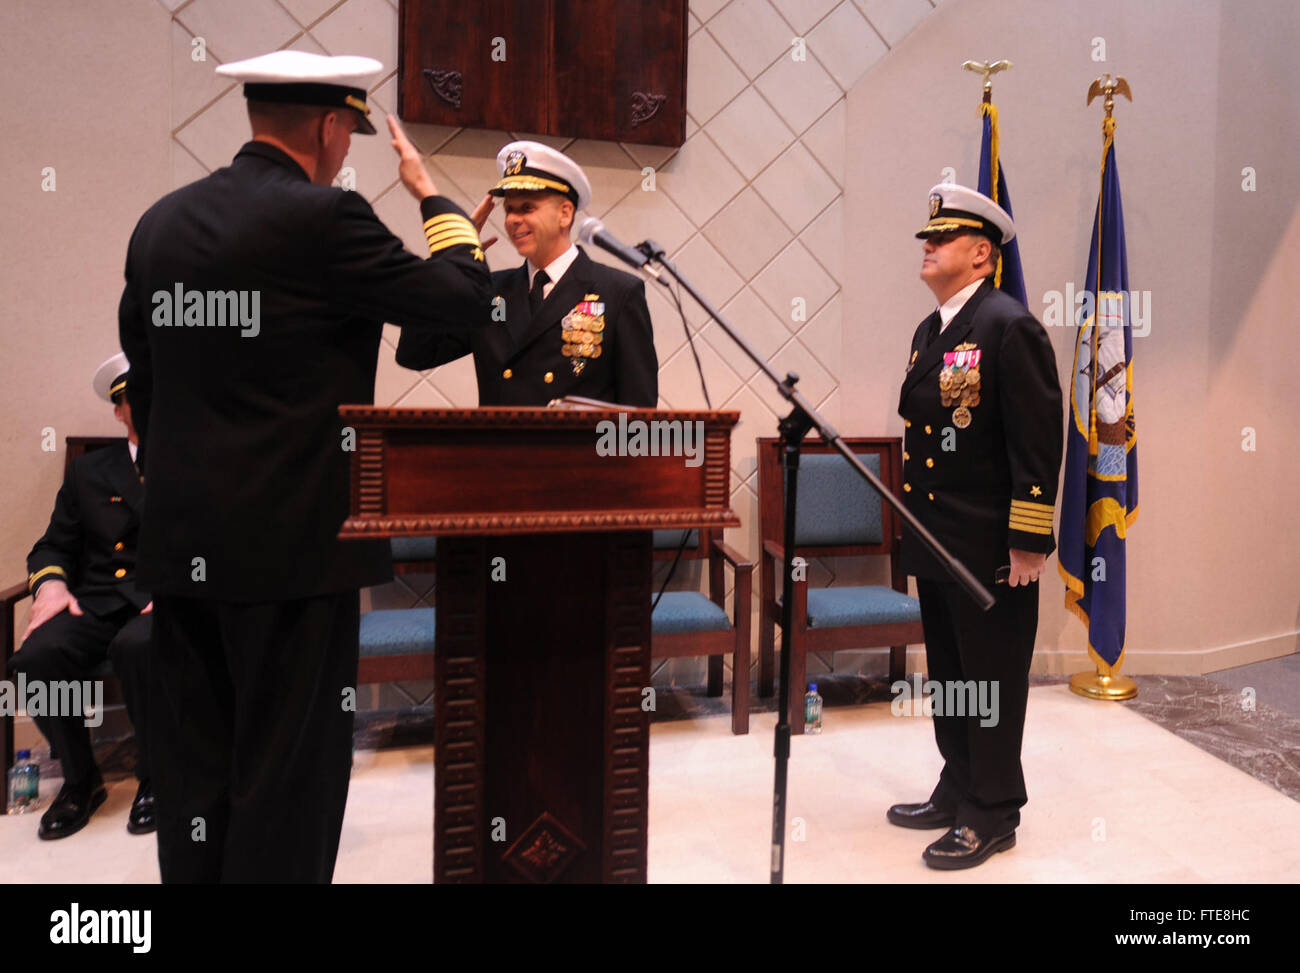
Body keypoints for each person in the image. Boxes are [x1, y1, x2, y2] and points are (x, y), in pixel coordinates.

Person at [117, 50, 493, 882]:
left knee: (197, 777)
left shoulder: (159, 224)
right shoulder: (326, 219)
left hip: (184, 557)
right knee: (287, 785)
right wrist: (436, 200)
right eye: (347, 135)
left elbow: (143, 395)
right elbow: (464, 299)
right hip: (294, 557)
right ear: (329, 128)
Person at [890, 184, 1063, 870]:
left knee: (990, 679)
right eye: (927, 237)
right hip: (937, 535)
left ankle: (992, 809)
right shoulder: (931, 329)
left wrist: (1027, 540)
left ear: (982, 253)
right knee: (954, 675)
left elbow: (1037, 441)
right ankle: (957, 782)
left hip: (991, 542)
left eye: (943, 238)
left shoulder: (1006, 325)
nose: (928, 246)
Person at [10, 353, 155, 839]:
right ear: (119, 410)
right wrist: (50, 584)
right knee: (35, 658)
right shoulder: (88, 472)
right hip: (91, 600)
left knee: (142, 646)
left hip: (161, 597)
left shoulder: (195, 464)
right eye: (135, 397)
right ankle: (80, 780)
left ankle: (158, 777)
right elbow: (53, 544)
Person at [396, 140, 658, 406]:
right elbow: (416, 353)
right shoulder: (489, 292)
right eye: (509, 209)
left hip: (578, 448)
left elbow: (639, 413)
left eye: (526, 208)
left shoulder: (618, 292)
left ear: (565, 214)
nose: (512, 220)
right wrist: (450, 257)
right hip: (499, 447)